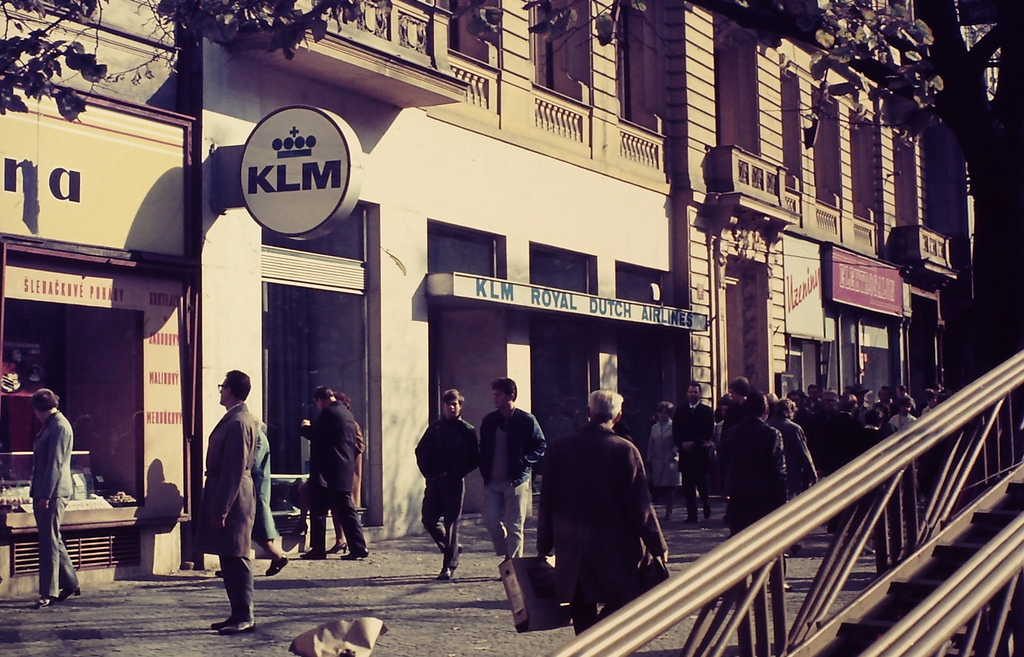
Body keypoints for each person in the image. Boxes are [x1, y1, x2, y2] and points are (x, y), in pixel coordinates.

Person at [537, 390, 668, 635]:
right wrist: (657, 545)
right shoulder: (624, 450)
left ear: (589, 412)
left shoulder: (559, 448)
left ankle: (589, 642)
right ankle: (597, 639)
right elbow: (640, 506)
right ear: (618, 416)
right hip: (614, 545)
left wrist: (543, 546)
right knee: (626, 596)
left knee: (581, 605)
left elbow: (547, 501)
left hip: (572, 544)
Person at [202, 370, 259, 635]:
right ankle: (237, 613)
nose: (220, 391)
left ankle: (245, 615)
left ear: (231, 390)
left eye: (223, 386)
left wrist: (222, 508)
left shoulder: (238, 422)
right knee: (229, 555)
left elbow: (233, 469)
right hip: (230, 493)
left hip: (234, 498)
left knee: (237, 555)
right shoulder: (236, 418)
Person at [415, 389, 480, 580]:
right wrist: (428, 473)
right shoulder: (436, 427)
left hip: (454, 483)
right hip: (434, 482)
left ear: (460, 406)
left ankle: (448, 567)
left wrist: (455, 473)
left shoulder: (467, 430)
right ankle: (452, 548)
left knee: (451, 524)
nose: (451, 407)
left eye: (454, 404)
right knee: (428, 520)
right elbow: (420, 450)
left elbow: (474, 458)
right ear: (443, 406)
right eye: (448, 404)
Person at [478, 377, 546, 560]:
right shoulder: (490, 421)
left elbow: (540, 445)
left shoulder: (526, 420)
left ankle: (514, 565)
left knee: (515, 526)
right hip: (492, 480)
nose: (495, 398)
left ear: (511, 396)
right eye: (494, 395)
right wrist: (484, 468)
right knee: (491, 521)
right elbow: (483, 447)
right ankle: (505, 549)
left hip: (516, 481)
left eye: (499, 395)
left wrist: (524, 461)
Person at [300, 386, 368, 560]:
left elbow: (317, 435)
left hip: (326, 472)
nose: (318, 407)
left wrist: (305, 427)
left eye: (317, 403)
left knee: (318, 510)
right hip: (343, 471)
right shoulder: (347, 414)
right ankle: (359, 547)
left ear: (319, 400)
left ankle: (318, 549)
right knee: (347, 511)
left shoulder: (328, 413)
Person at [29, 388, 80, 609]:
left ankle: (48, 592)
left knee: (48, 542)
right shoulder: (52, 425)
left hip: (53, 492)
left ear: (39, 408)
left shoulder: (59, 426)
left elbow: (55, 464)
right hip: (47, 490)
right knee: (53, 538)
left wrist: (45, 494)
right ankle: (70, 582)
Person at [721, 392, 787, 536]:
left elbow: (723, 462)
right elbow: (777, 468)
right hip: (763, 494)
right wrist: (781, 498)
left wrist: (726, 488)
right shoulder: (771, 434)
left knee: (739, 537)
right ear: (766, 409)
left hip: (738, 493)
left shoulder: (732, 432)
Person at [672, 382, 715, 522]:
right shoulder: (681, 411)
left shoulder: (707, 411)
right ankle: (692, 515)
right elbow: (675, 430)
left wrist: (695, 443)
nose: (692, 394)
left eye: (695, 392)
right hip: (686, 455)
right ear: (687, 393)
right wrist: (681, 443)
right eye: (690, 392)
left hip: (700, 453)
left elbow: (709, 431)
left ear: (700, 394)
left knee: (702, 483)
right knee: (688, 486)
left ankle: (706, 503)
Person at [252, 422, 289, 577]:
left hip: (255, 487)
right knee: (251, 530)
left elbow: (253, 463)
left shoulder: (258, 438)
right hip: (255, 487)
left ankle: (278, 557)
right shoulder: (258, 437)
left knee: (259, 530)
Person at [767, 398, 817, 499]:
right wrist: (812, 475)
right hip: (791, 474)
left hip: (770, 477)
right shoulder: (794, 429)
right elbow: (803, 453)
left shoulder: (767, 426)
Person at [645, 401, 679, 520]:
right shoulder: (654, 427)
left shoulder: (674, 426)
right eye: (660, 412)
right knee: (659, 487)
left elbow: (678, 441)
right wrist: (649, 458)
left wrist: (675, 453)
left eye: (665, 413)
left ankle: (669, 511)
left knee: (669, 487)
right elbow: (651, 443)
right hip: (657, 460)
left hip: (670, 460)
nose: (662, 415)